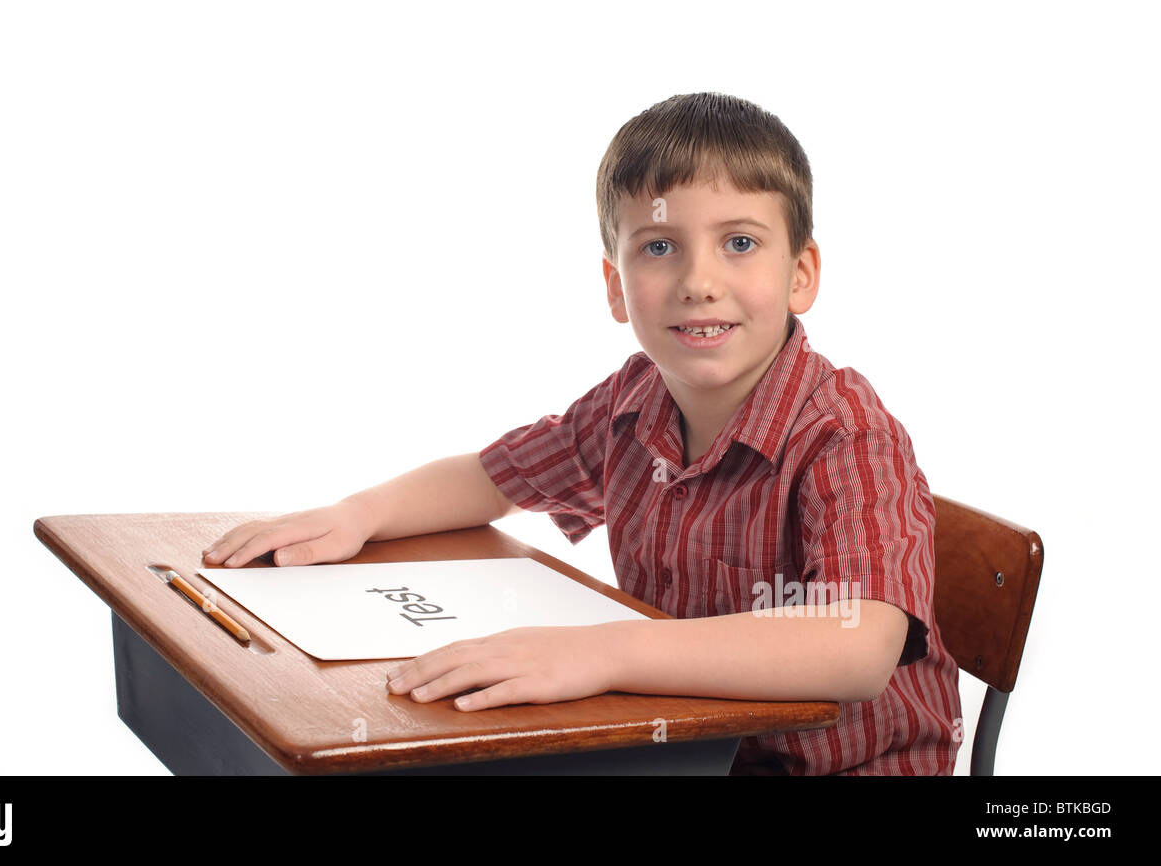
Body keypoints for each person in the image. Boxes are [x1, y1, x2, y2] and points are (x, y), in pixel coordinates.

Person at [204, 92, 962, 775]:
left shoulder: (846, 431)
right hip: (683, 750)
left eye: (739, 242)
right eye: (660, 247)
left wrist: (603, 653)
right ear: (614, 287)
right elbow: (492, 479)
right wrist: (357, 514)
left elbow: (857, 643)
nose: (700, 279)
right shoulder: (632, 403)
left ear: (802, 273)